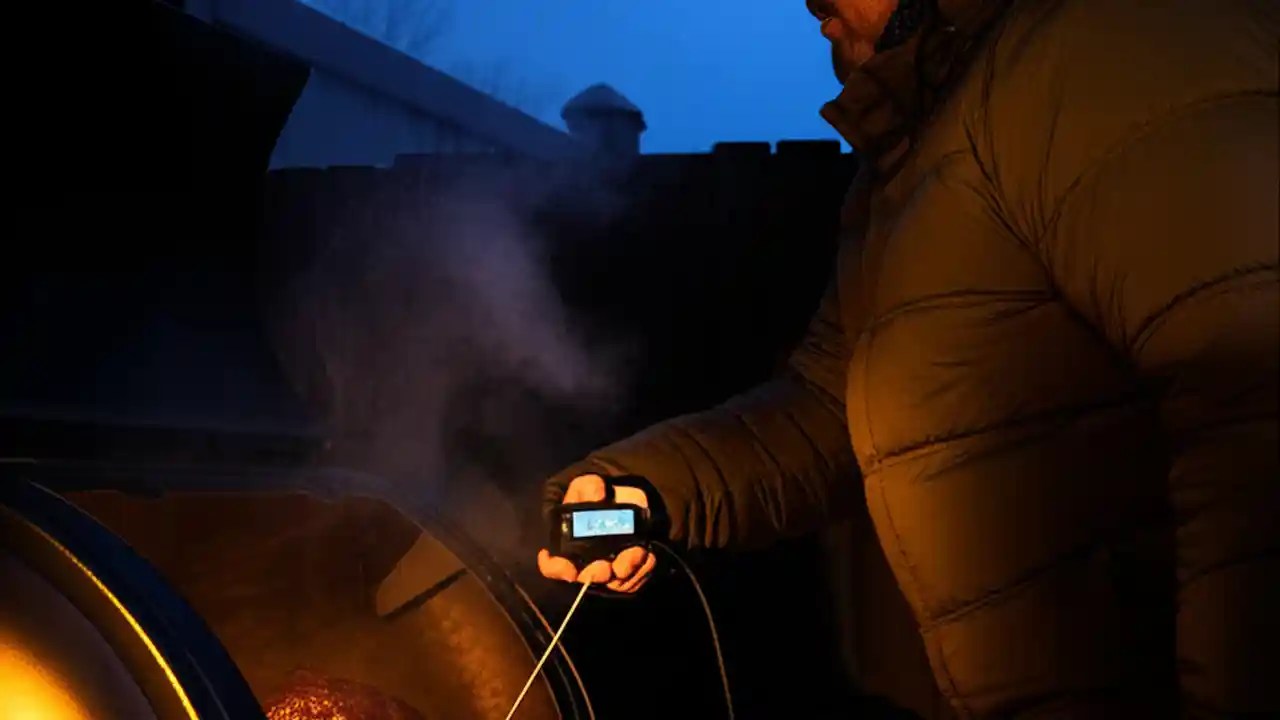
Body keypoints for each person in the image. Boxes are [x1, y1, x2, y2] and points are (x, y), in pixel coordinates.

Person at [538, 0, 1279, 716]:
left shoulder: (1120, 47)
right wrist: (639, 489)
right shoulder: (918, 148)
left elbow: (1253, 411)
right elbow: (829, 410)